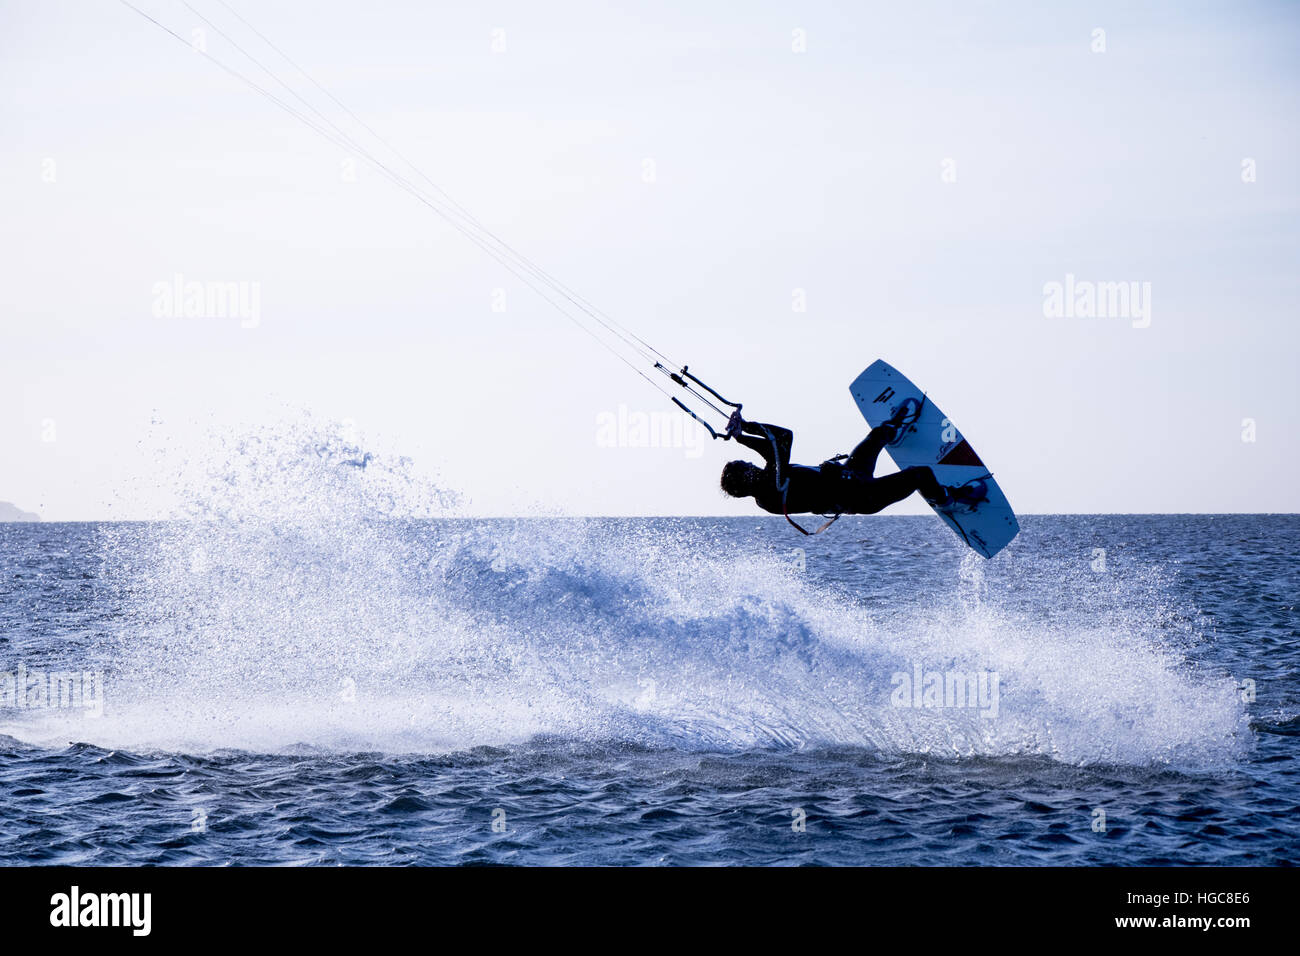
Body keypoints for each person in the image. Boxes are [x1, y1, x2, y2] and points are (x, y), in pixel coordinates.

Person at [718, 408, 986, 527]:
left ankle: (894, 430)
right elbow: (783, 439)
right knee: (921, 475)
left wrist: (743, 434)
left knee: (875, 437)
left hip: (852, 475)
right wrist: (746, 430)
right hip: (864, 496)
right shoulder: (770, 492)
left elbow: (771, 449)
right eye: (747, 465)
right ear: (747, 480)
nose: (752, 463)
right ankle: (950, 501)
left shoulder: (767, 479)